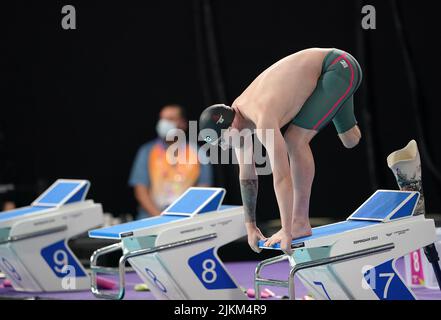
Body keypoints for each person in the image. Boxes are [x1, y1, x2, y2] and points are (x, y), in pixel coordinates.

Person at [199, 48, 362, 254]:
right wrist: (250, 227)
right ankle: (339, 100)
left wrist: (287, 230)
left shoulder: (262, 116)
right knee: (350, 140)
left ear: (230, 129)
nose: (224, 148)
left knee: (294, 140)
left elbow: (282, 177)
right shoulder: (238, 117)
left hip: (337, 67)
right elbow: (247, 176)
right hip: (330, 75)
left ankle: (300, 222)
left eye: (222, 142)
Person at [129, 104, 213, 219]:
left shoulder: (198, 152)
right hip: (151, 218)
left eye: (170, 119)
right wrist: (160, 218)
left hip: (188, 217)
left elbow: (204, 188)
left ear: (183, 124)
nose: (164, 123)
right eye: (162, 119)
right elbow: (140, 191)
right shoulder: (146, 151)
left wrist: (185, 217)